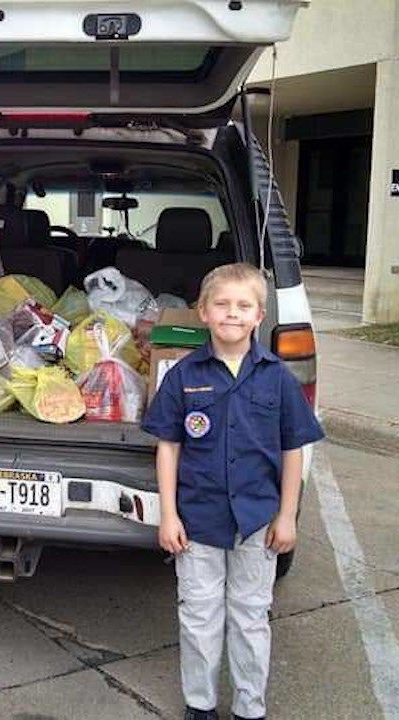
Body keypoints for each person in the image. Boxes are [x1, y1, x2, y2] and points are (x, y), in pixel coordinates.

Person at [141, 263, 324, 720]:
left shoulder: (278, 377)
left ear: (259, 315)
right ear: (203, 312)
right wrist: (169, 515)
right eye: (221, 305)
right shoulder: (182, 376)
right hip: (198, 521)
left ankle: (249, 707)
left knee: (249, 617)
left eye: (244, 306)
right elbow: (168, 447)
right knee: (199, 616)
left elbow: (292, 450)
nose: (232, 314)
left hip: (257, 523)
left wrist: (286, 516)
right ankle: (200, 704)